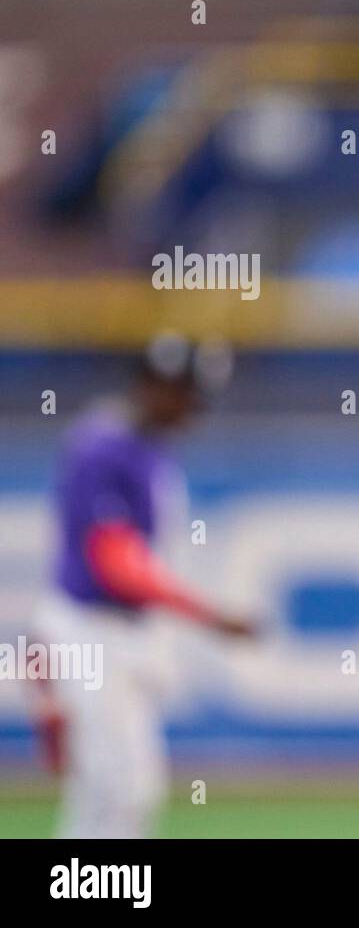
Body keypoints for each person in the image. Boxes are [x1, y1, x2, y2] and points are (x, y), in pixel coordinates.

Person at [28, 331, 255, 838]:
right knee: (115, 788)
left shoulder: (148, 447)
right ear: (156, 385)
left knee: (124, 792)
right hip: (87, 632)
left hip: (119, 634)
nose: (194, 411)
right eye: (188, 395)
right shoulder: (104, 447)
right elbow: (115, 562)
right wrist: (209, 615)